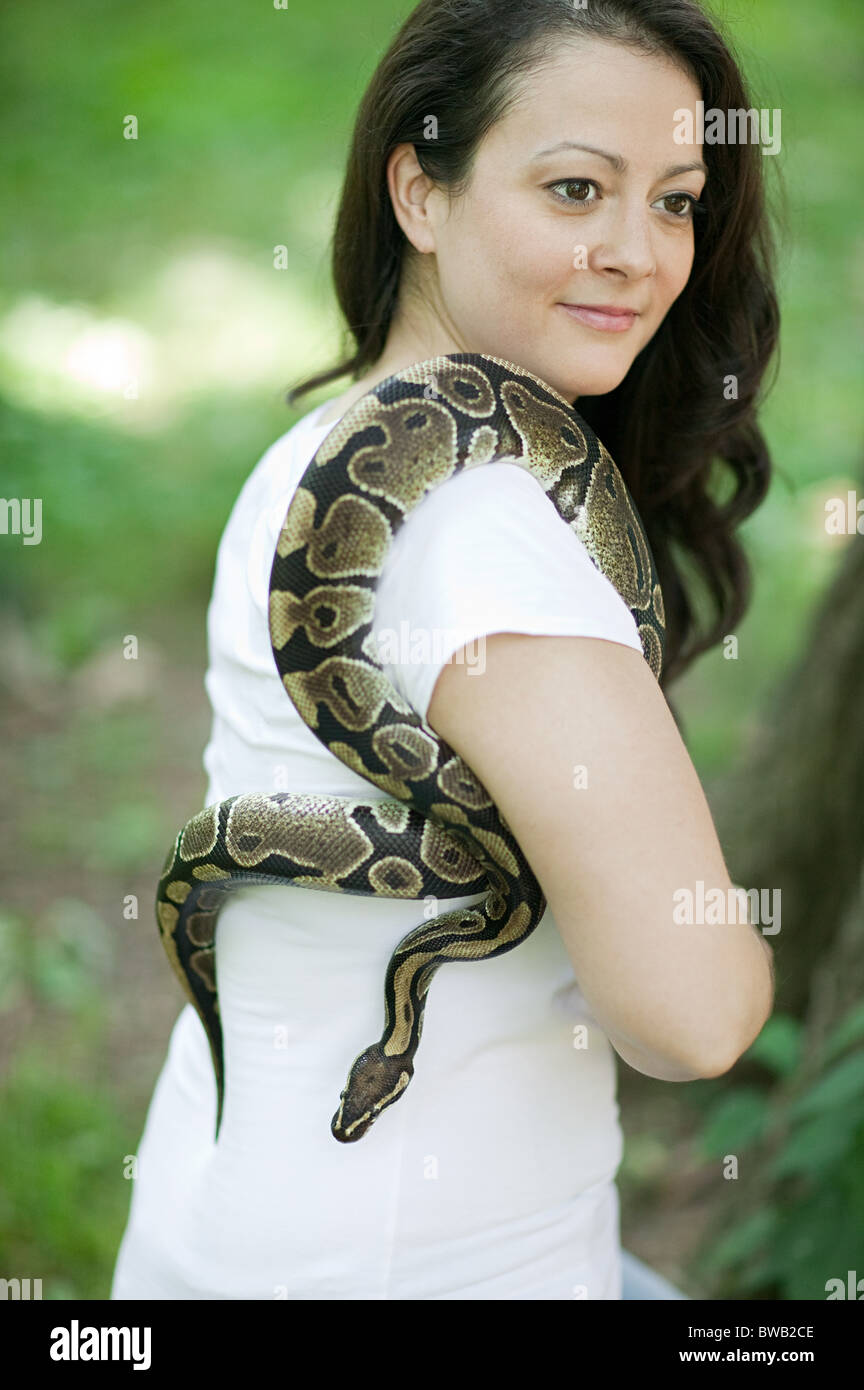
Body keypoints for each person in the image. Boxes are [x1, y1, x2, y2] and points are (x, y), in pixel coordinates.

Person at [112, 0, 778, 1300]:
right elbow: (699, 1017)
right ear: (420, 188)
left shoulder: (329, 444)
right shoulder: (490, 547)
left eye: (677, 201)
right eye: (576, 186)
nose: (637, 253)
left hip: (218, 1232)